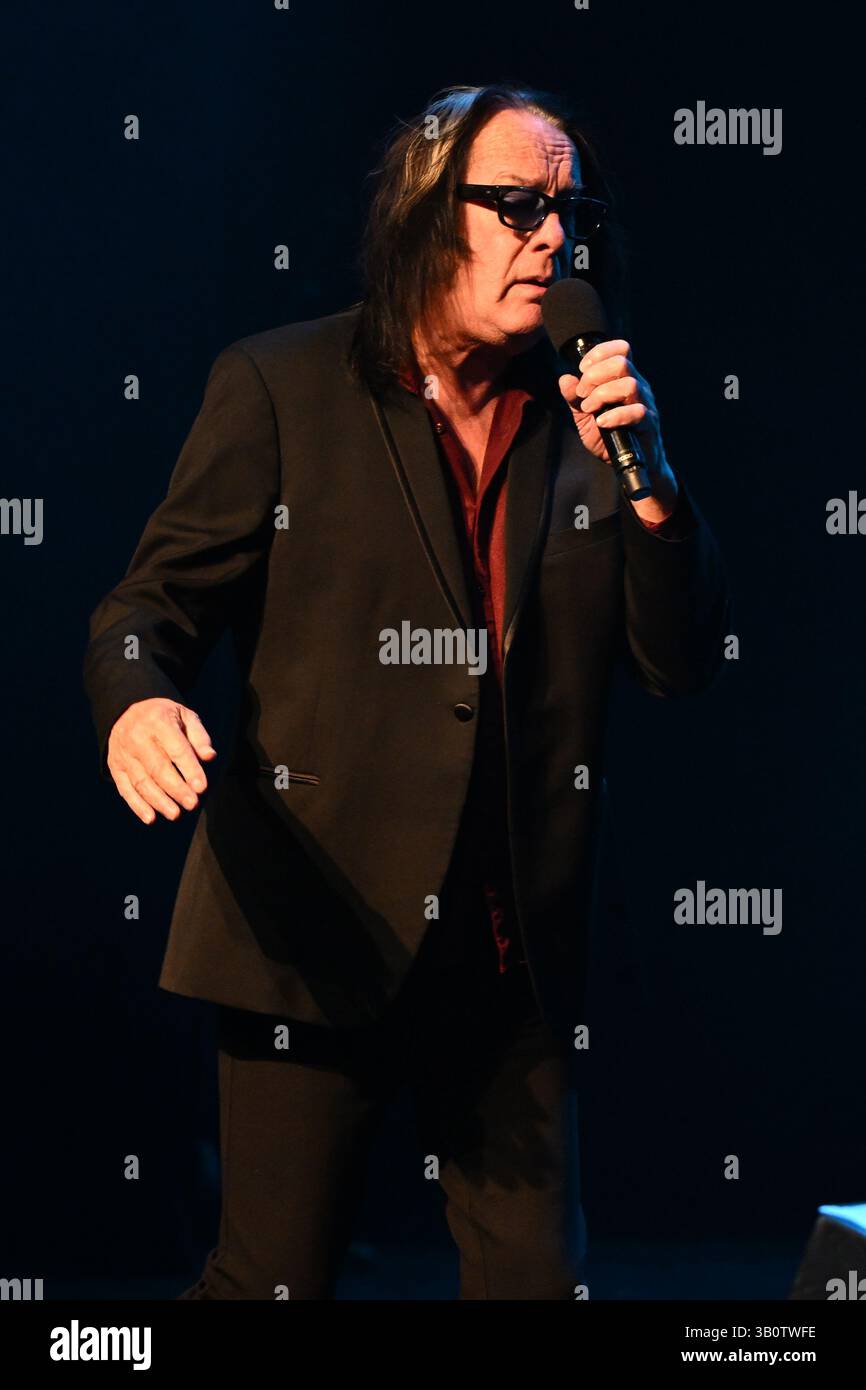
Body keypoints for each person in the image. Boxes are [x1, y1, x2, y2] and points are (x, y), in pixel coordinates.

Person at [83, 83, 729, 1299]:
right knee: (272, 1278)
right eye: (519, 207)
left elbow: (680, 659)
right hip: (314, 929)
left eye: (569, 213)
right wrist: (135, 701)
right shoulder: (281, 387)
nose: (554, 239)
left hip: (507, 950)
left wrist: (652, 491)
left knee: (538, 1284)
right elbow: (143, 610)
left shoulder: (587, 415)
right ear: (430, 218)